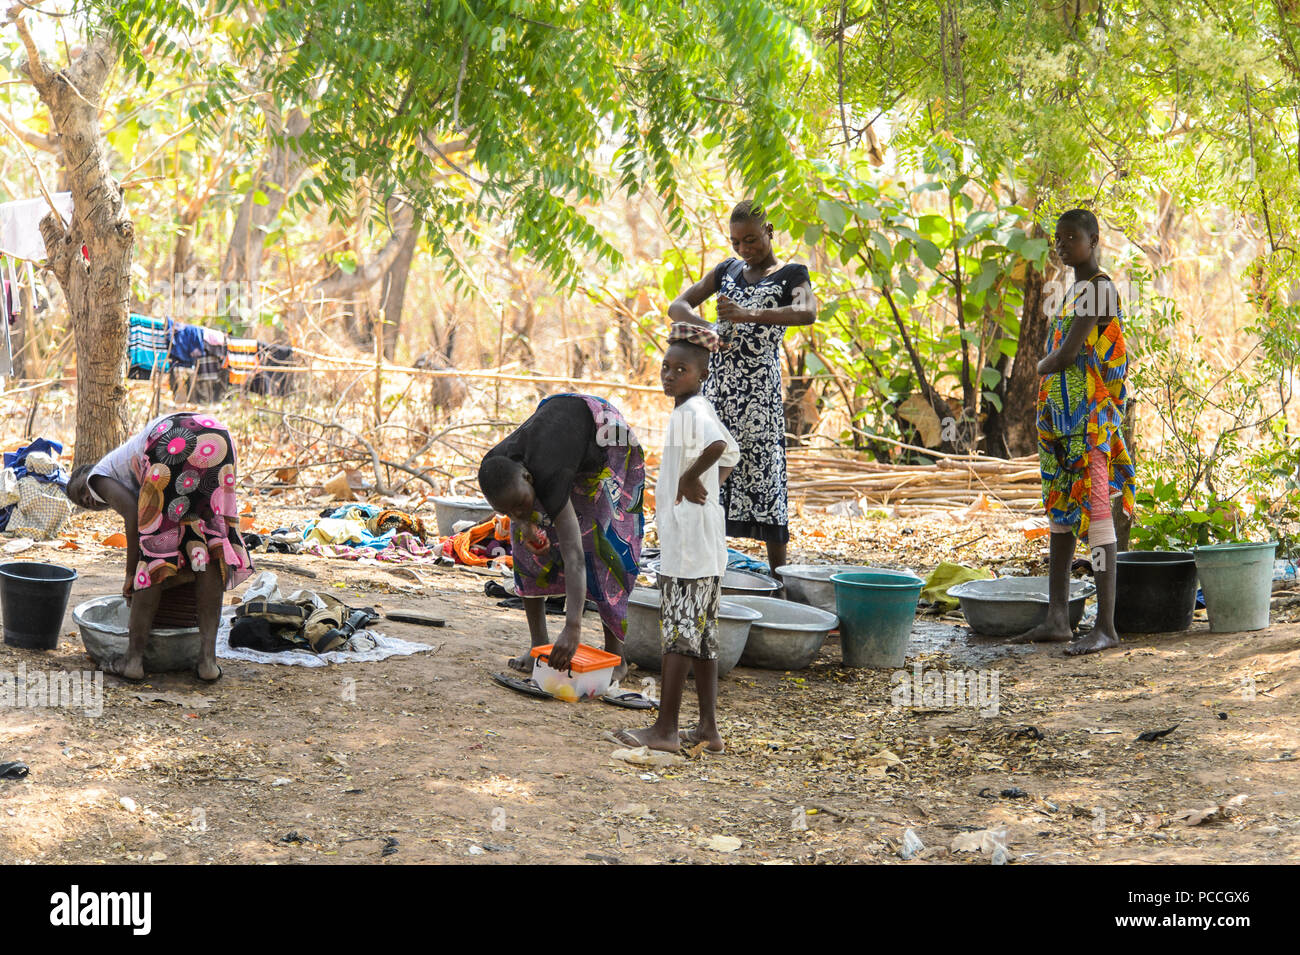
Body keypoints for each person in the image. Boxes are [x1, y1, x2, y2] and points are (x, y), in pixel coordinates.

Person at [668, 199, 816, 577]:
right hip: (717, 390)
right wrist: (710, 328)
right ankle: (701, 565)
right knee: (707, 470)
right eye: (736, 242)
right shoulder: (727, 271)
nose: (744, 249)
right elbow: (678, 305)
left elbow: (807, 313)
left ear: (769, 232)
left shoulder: (791, 274)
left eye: (751, 240)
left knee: (764, 475)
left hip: (758, 395)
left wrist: (747, 315)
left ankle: (779, 579)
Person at [1011, 208, 1136, 655]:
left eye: (1071, 238)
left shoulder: (1100, 289)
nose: (1063, 245)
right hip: (1063, 426)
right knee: (1060, 519)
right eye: (1059, 239)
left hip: (1089, 425)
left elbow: (1065, 355)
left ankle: (1106, 627)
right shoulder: (1073, 290)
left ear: (1094, 238)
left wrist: (1037, 370)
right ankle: (1057, 618)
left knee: (1099, 519)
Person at [612, 323, 738, 753]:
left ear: (700, 374)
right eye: (665, 367)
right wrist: (706, 490)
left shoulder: (692, 412)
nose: (668, 375)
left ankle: (664, 730)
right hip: (702, 543)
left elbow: (719, 446)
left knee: (679, 636)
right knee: (703, 639)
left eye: (679, 369)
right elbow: (731, 453)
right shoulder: (694, 407)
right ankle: (708, 730)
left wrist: (688, 480)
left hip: (688, 548)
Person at [66, 412, 255, 681]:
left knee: (154, 553)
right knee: (210, 545)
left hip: (171, 438)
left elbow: (133, 517)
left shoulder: (98, 477)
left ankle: (132, 661)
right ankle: (207, 663)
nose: (89, 500)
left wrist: (131, 572)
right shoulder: (128, 468)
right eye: (84, 503)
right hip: (218, 436)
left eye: (83, 495)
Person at [478, 394, 644, 678]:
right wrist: (525, 523)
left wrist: (573, 627)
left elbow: (575, 556)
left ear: (530, 479)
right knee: (524, 546)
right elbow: (516, 508)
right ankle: (538, 646)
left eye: (520, 505)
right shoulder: (497, 465)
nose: (517, 513)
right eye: (509, 510)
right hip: (561, 438)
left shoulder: (548, 475)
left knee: (601, 543)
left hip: (604, 438)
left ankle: (616, 657)